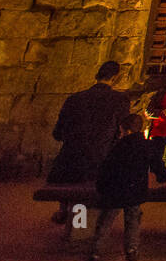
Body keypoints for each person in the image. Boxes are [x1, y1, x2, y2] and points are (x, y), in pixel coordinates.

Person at [47, 61, 129, 223]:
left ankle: (66, 212)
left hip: (71, 159)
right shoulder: (120, 100)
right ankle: (83, 223)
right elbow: (121, 132)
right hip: (100, 160)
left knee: (68, 167)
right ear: (115, 78)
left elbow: (58, 132)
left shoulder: (74, 99)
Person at [87, 113, 166, 261]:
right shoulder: (147, 146)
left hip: (115, 192)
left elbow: (106, 169)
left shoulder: (117, 147)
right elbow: (157, 164)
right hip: (135, 190)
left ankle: (96, 251)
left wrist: (101, 187)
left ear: (127, 131)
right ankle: (131, 251)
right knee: (133, 220)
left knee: (106, 220)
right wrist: (162, 177)